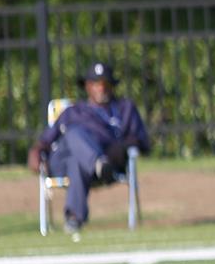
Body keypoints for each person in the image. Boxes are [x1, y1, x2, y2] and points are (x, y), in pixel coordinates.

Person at [27, 59, 151, 240]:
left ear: (112, 86)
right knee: (72, 133)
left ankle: (74, 219)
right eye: (96, 84)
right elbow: (46, 141)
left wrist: (121, 148)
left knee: (76, 160)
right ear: (87, 86)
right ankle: (97, 162)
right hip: (65, 162)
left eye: (105, 84)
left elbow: (142, 142)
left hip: (107, 165)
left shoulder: (124, 109)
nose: (101, 88)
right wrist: (36, 152)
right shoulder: (73, 112)